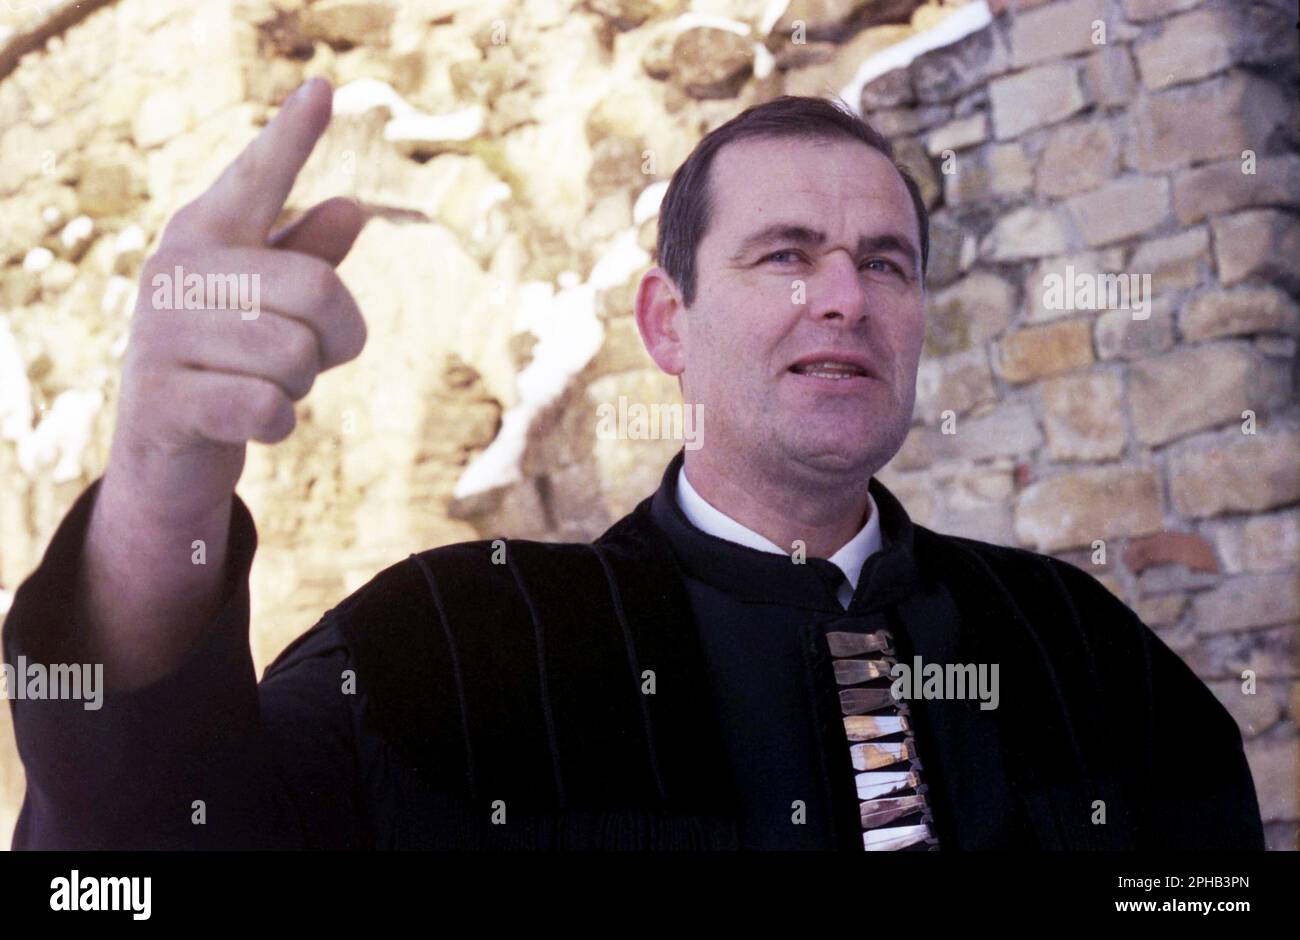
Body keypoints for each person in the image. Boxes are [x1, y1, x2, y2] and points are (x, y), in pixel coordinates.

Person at [2, 80, 1264, 851]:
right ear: (667, 322)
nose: (842, 297)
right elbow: (159, 845)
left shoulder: (1078, 654)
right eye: (783, 254)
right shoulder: (457, 654)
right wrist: (164, 472)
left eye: (885, 262)